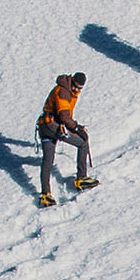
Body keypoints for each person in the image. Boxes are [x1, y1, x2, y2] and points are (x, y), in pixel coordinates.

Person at [35, 70, 96, 205]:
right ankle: (81, 178)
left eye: (79, 88)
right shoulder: (64, 91)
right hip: (52, 126)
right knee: (83, 143)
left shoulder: (66, 90)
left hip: (44, 126)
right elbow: (63, 115)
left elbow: (63, 115)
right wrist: (77, 128)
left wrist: (72, 125)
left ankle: (46, 194)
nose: (76, 89)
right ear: (72, 81)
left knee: (48, 160)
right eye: (75, 85)